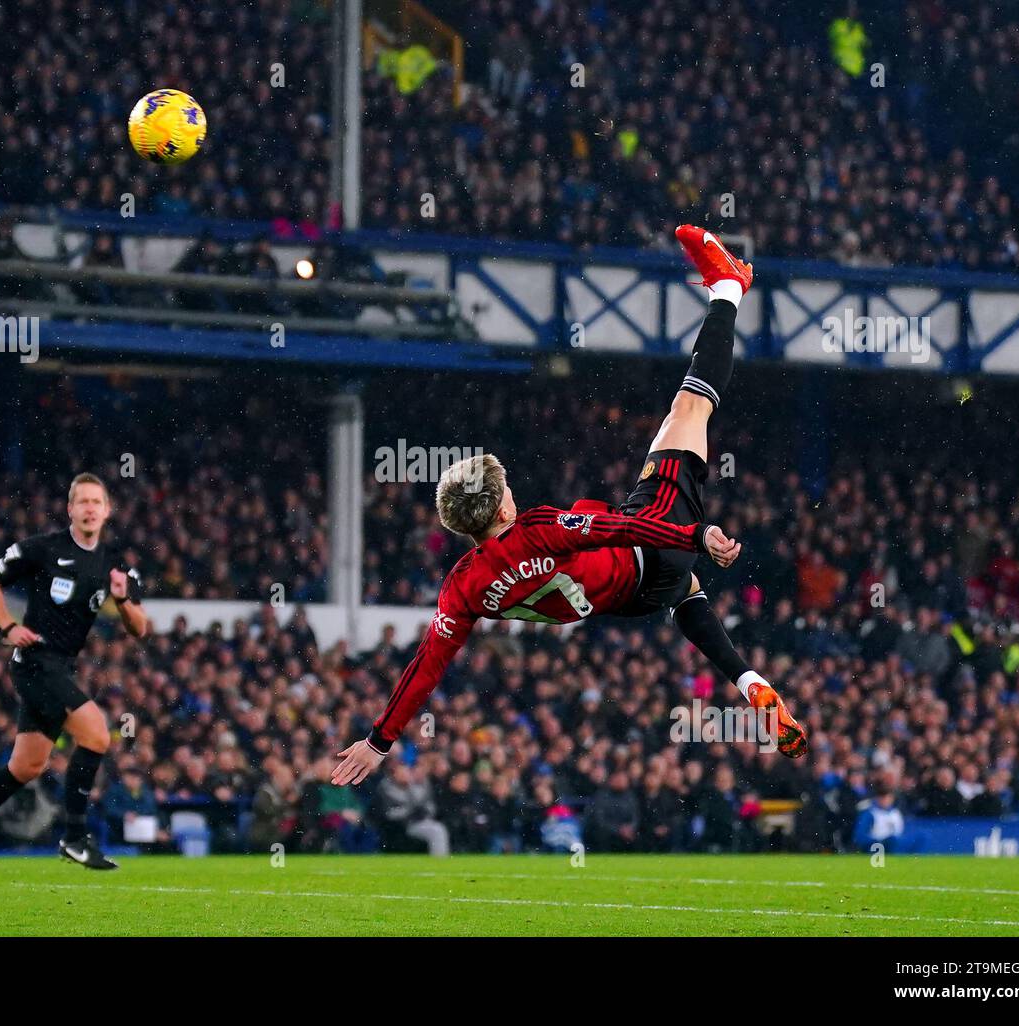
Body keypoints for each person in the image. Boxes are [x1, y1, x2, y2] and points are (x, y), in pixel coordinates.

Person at [333, 227, 807, 787]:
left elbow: (426, 668)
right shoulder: (536, 529)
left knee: (685, 593)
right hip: (651, 548)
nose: (512, 489)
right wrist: (696, 535)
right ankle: (729, 287)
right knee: (689, 408)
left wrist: (379, 739)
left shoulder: (462, 587)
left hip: (629, 602)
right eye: (504, 487)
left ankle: (749, 681)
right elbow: (623, 524)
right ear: (500, 510)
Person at [0, 473, 149, 871]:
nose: (88, 508)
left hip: (61, 666)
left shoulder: (115, 564)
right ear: (69, 509)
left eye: (96, 502)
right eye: (81, 501)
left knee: (27, 766)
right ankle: (75, 838)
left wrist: (122, 600)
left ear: (107, 511)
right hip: (34, 662)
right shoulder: (43, 549)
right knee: (97, 736)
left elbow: (140, 628)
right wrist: (8, 627)